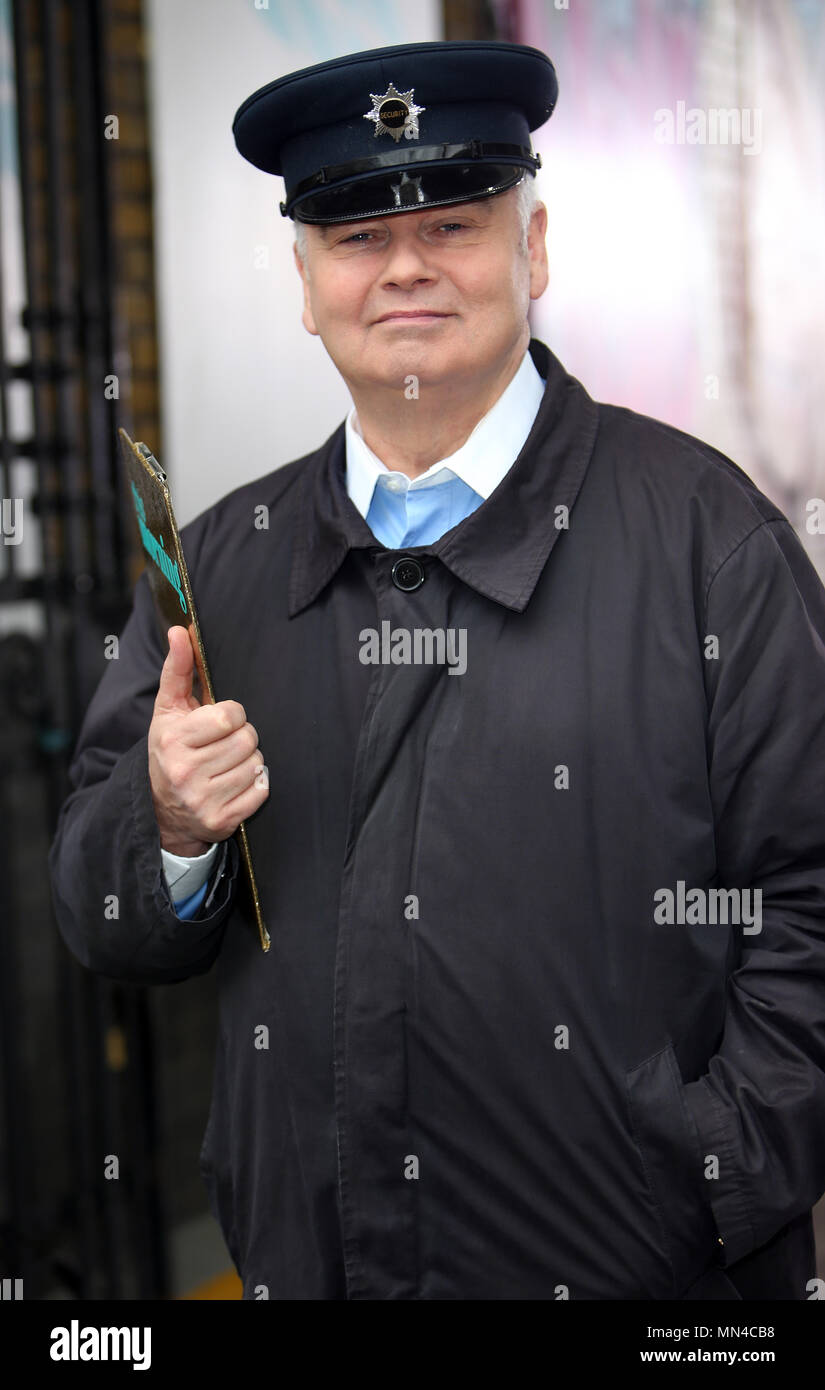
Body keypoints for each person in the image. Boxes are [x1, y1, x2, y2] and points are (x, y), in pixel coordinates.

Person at [48, 39, 825, 1301]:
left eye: (454, 223)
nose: (404, 265)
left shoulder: (706, 540)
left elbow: (812, 899)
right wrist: (170, 827)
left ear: (533, 250)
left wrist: (711, 1173)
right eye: (354, 237)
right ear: (305, 283)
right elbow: (97, 911)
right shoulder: (218, 571)